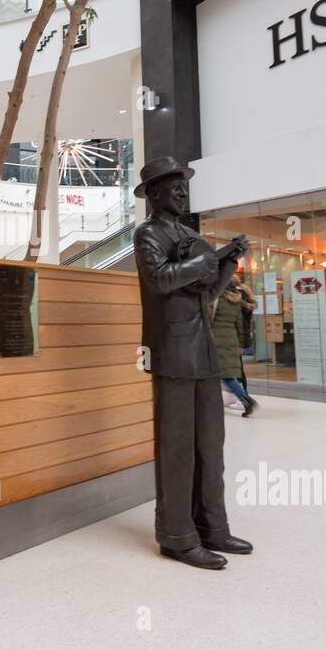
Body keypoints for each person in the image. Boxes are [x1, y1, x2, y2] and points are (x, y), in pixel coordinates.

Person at [133, 155, 253, 570]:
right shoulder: (146, 234)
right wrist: (208, 259)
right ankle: (177, 537)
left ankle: (212, 528)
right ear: (153, 194)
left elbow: (207, 292)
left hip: (202, 352)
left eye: (185, 186)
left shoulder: (187, 233)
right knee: (177, 448)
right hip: (172, 352)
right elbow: (161, 279)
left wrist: (228, 261)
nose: (183, 192)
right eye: (174, 186)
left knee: (210, 445)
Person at [214, 277, 259, 417]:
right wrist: (239, 343)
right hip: (231, 340)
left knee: (224, 375)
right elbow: (240, 325)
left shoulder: (217, 299)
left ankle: (246, 400)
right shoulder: (236, 302)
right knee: (225, 373)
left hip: (217, 340)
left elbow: (209, 319)